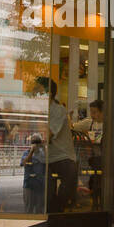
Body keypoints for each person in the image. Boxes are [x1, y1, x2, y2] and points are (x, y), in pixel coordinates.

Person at [35, 76, 77, 212]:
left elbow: (47, 136)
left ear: (49, 94)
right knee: (42, 178)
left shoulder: (58, 110)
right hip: (46, 157)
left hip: (62, 156)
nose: (36, 94)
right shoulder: (41, 111)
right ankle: (48, 208)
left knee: (69, 176)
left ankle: (56, 209)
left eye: (39, 91)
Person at [21, 134, 46, 214]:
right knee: (29, 209)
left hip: (40, 185)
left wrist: (44, 148)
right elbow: (24, 163)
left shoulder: (43, 153)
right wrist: (31, 152)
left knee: (40, 209)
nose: (35, 144)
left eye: (37, 142)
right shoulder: (27, 152)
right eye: (33, 142)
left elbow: (48, 162)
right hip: (29, 185)